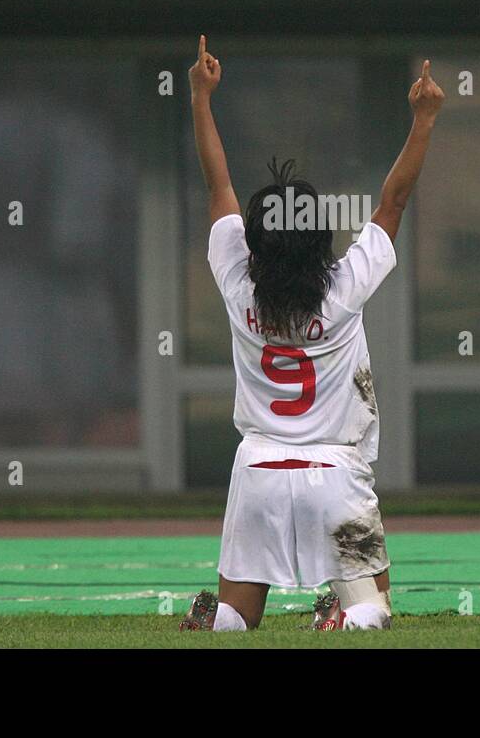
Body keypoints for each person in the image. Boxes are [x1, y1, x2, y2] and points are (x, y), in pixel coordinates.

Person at [179, 36, 444, 631]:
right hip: (336, 475)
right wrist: (424, 117)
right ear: (320, 237)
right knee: (373, 615)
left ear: (254, 239)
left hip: (257, 472)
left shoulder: (236, 285)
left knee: (236, 621)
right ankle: (339, 621)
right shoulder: (345, 289)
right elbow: (394, 202)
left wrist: (201, 97)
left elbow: (217, 187)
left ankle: (215, 619)